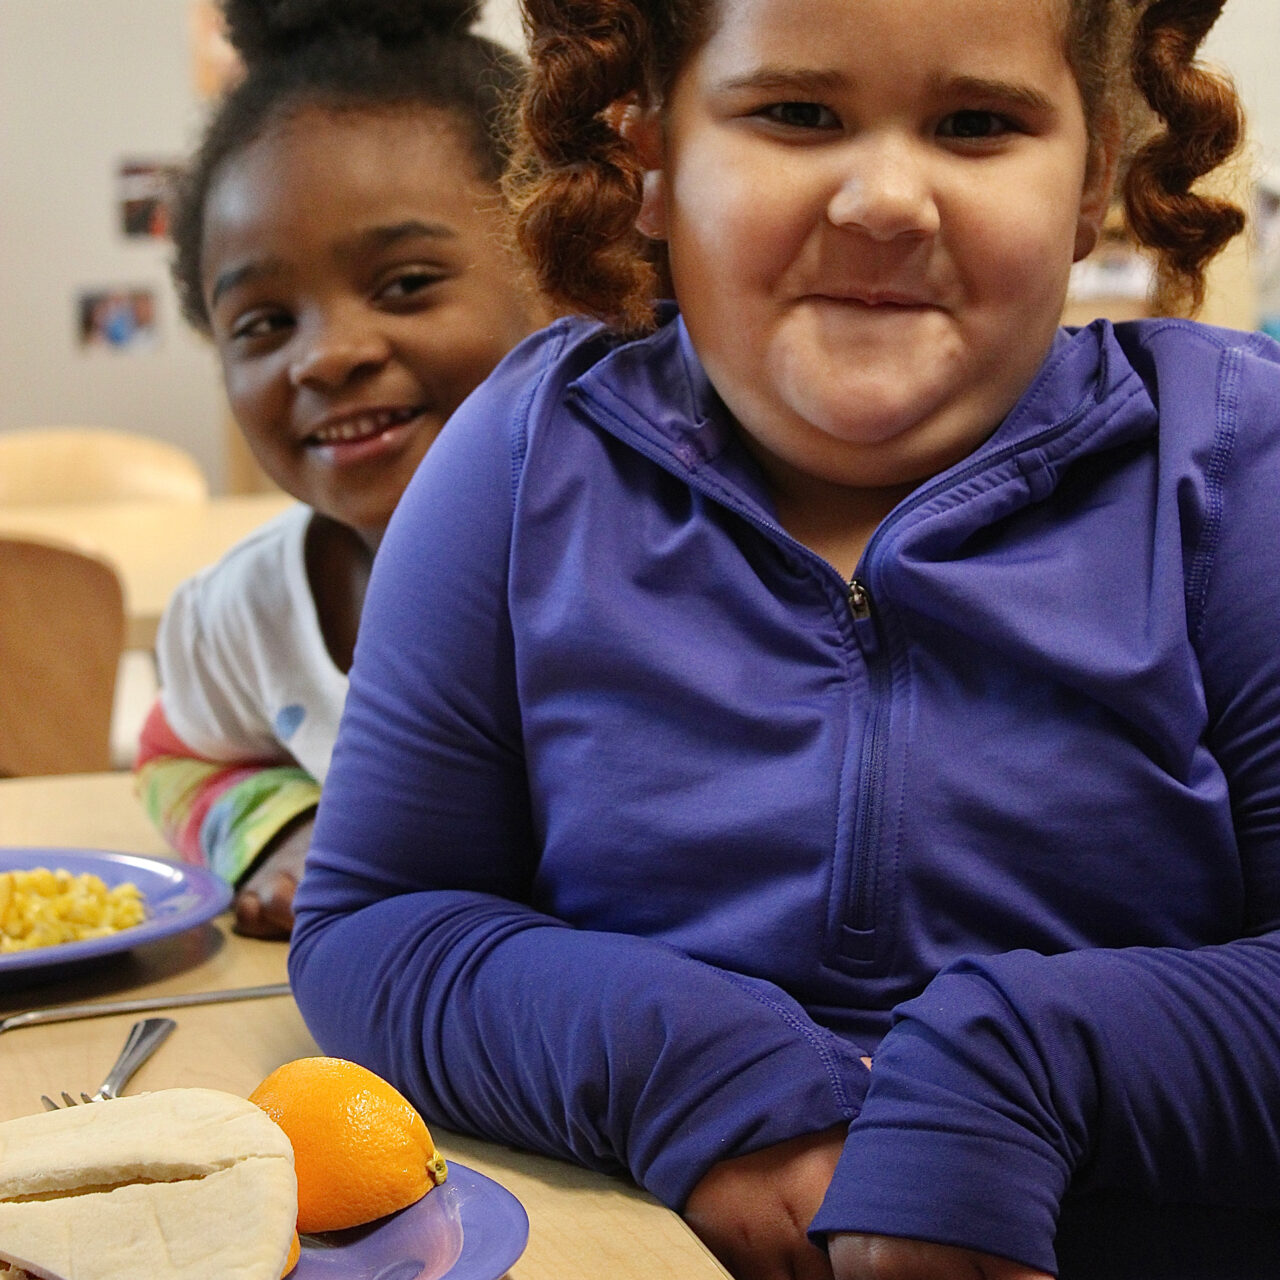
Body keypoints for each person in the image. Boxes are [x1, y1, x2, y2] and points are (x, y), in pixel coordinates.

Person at [289, 0, 1280, 1277]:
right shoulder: (521, 456)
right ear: (651, 157)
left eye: (976, 125)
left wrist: (1021, 1070)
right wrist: (699, 1076)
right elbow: (375, 923)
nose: (882, 199)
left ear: (1089, 182)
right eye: (796, 114)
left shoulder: (1230, 465)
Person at [133, 0, 549, 939]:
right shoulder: (242, 617)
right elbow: (172, 756)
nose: (325, 356)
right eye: (264, 323)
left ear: (561, 272)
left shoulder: (666, 574)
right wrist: (283, 831)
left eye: (405, 285)